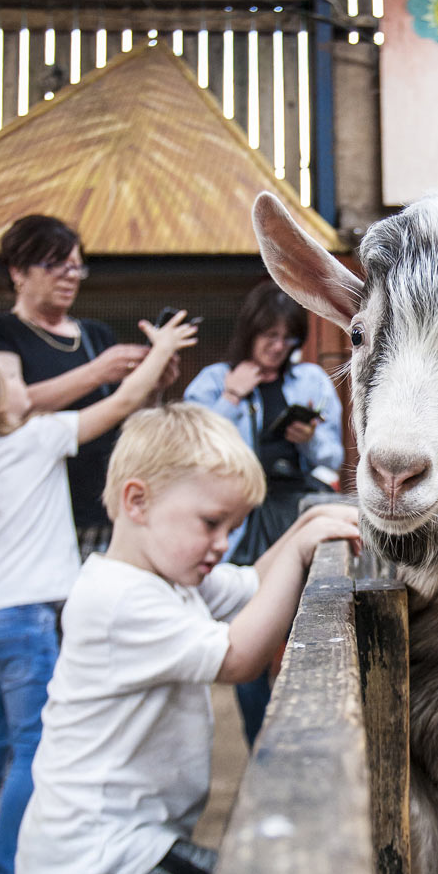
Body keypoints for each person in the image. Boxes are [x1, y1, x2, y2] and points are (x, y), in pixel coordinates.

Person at [15, 402, 359, 874]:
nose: (222, 545)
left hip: (79, 865)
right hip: (110, 866)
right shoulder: (118, 600)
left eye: (232, 526)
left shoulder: (166, 577)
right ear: (136, 502)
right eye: (209, 522)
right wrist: (303, 543)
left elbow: (252, 583)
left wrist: (297, 544)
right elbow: (241, 654)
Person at [0, 315, 197, 874]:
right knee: (33, 750)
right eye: (9, 378)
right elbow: (118, 405)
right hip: (21, 622)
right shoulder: (33, 439)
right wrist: (164, 349)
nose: (24, 381)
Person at [184, 281, 345, 744]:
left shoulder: (311, 380)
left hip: (294, 504)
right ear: (249, 333)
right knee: (245, 621)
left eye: (287, 338)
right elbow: (195, 452)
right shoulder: (216, 380)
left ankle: (308, 728)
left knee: (309, 617)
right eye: (268, 337)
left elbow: (331, 456)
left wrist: (308, 439)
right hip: (241, 516)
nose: (278, 347)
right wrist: (231, 400)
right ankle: (259, 741)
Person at [0, 214, 180, 555]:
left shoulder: (95, 335)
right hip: (32, 508)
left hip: (102, 506)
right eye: (56, 265)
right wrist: (96, 371)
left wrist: (154, 386)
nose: (70, 277)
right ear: (18, 272)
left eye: (76, 267)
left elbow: (122, 413)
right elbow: (5, 407)